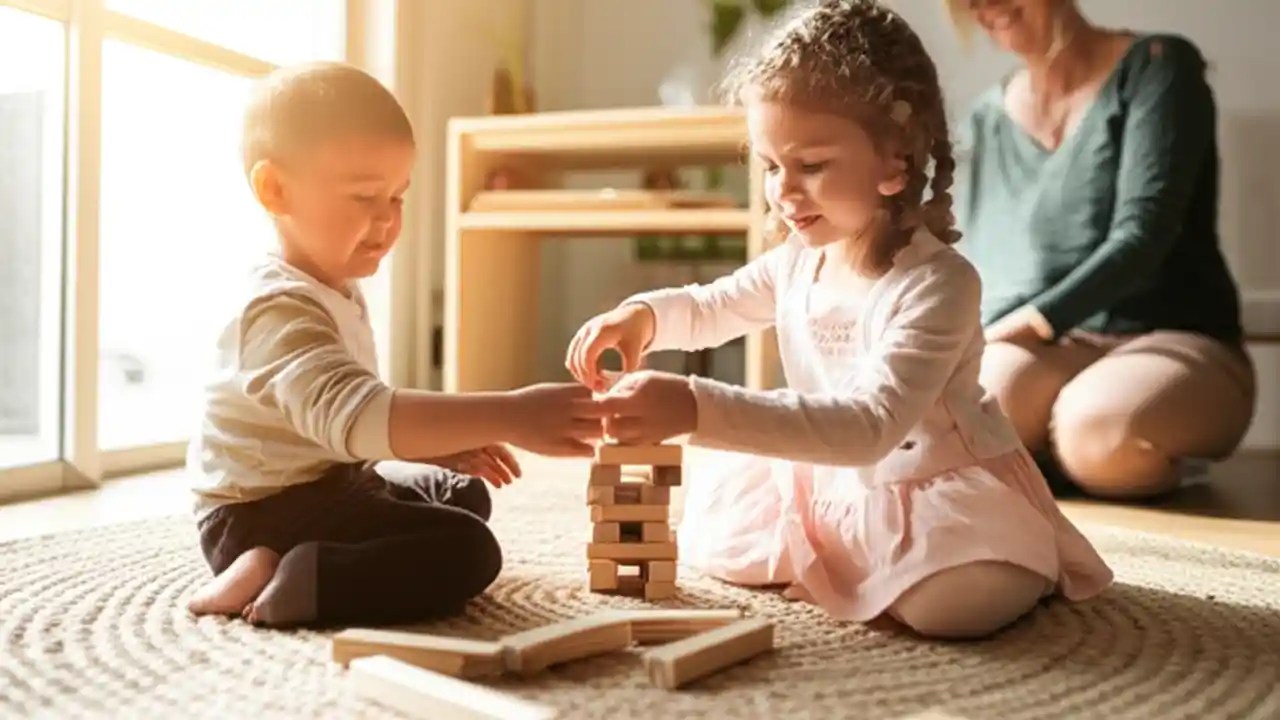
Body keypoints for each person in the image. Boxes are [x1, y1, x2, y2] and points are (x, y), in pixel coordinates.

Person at [566, 0, 1111, 639]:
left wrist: (694, 408)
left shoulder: (939, 283)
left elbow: (868, 427)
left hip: (927, 482)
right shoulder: (799, 259)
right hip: (829, 474)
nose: (784, 192)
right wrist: (643, 320)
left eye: (812, 166)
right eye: (771, 167)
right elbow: (713, 306)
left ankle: (973, 558)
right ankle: (852, 560)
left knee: (953, 608)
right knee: (714, 534)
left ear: (894, 162)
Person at [185, 63, 606, 628]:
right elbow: (359, 418)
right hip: (258, 513)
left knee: (463, 494)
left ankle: (278, 564)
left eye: (398, 198)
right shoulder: (278, 309)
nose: (386, 220)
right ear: (275, 190)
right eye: (364, 197)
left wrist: (433, 445)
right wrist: (511, 413)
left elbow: (341, 426)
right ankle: (305, 576)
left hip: (326, 482)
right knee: (468, 550)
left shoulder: (333, 287)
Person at [949, 0, 1257, 499]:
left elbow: (1142, 236)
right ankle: (1054, 453)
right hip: (1058, 346)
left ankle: (1104, 453)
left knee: (1097, 434)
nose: (988, 6)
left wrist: (1024, 326)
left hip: (1173, 337)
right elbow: (988, 259)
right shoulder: (986, 116)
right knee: (977, 408)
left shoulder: (1159, 66)